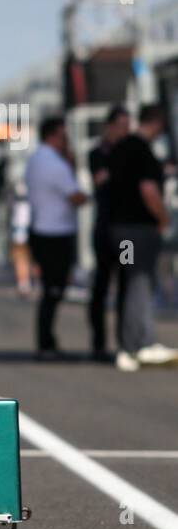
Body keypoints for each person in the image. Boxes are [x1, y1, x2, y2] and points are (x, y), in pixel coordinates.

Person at [108, 103, 177, 371]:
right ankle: (140, 344)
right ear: (158, 123)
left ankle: (129, 346)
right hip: (136, 230)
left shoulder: (121, 148)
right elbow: (149, 190)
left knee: (130, 282)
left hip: (120, 230)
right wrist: (164, 218)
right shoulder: (142, 151)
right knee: (139, 282)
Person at [24, 115, 87, 359]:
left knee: (51, 290)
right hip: (55, 233)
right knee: (53, 291)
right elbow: (76, 196)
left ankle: (46, 341)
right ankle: (46, 344)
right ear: (52, 136)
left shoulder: (36, 159)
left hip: (41, 230)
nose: (66, 141)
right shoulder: (55, 164)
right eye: (63, 136)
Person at [88, 106, 130, 360]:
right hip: (105, 229)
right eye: (122, 125)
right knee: (101, 285)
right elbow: (100, 179)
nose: (126, 131)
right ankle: (99, 343)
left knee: (128, 282)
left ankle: (127, 342)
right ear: (110, 126)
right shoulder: (98, 152)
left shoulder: (131, 150)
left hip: (127, 234)